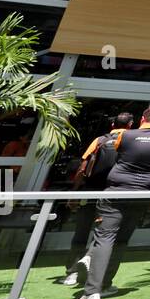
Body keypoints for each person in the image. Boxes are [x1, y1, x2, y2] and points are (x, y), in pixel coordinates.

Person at [68, 106, 150, 299]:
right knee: (122, 239)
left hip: (116, 191)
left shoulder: (125, 136)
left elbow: (109, 161)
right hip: (143, 193)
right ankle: (106, 284)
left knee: (105, 238)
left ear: (143, 119)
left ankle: (91, 290)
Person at [61, 113, 130, 286]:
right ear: (130, 125)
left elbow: (83, 167)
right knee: (105, 233)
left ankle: (72, 272)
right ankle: (92, 267)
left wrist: (75, 191)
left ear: (113, 124)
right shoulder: (131, 142)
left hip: (91, 191)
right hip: (114, 193)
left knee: (81, 231)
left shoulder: (100, 140)